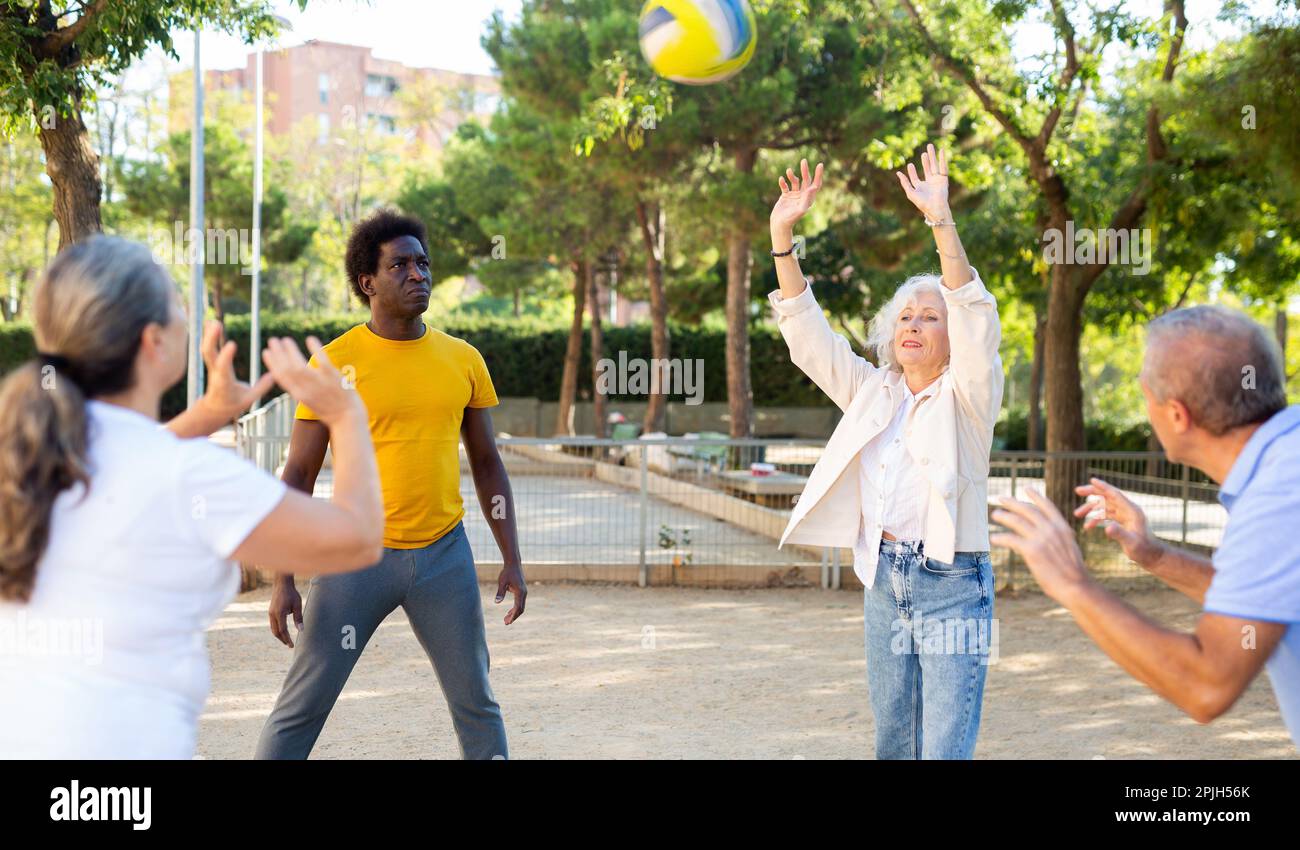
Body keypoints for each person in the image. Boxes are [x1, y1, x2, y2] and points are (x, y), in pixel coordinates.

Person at [0, 236, 384, 759]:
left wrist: (206, 415)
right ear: (153, 341)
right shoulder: (190, 476)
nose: (189, 320)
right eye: (179, 309)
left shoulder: (24, 454)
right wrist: (346, 415)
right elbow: (357, 541)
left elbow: (123, 464)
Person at [255, 210, 526, 761]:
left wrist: (512, 558)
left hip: (444, 558)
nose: (417, 274)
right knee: (302, 706)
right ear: (368, 282)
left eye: (422, 263)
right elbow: (298, 477)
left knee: (477, 703)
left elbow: (487, 464)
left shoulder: (463, 359)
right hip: (353, 558)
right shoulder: (333, 362)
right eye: (399, 264)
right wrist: (281, 576)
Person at [767, 145, 1004, 759]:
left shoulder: (970, 398)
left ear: (951, 339)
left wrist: (941, 222)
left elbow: (974, 311)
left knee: (943, 746)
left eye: (930, 316)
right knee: (894, 743)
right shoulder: (875, 392)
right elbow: (809, 337)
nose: (914, 324)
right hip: (884, 578)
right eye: (905, 315)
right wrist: (781, 236)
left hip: (952, 581)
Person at [992, 305, 1300, 749]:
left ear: (1177, 416)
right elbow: (1258, 597)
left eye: (1146, 394)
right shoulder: (1285, 464)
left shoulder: (1278, 496)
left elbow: (1207, 686)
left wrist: (1072, 583)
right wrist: (1153, 554)